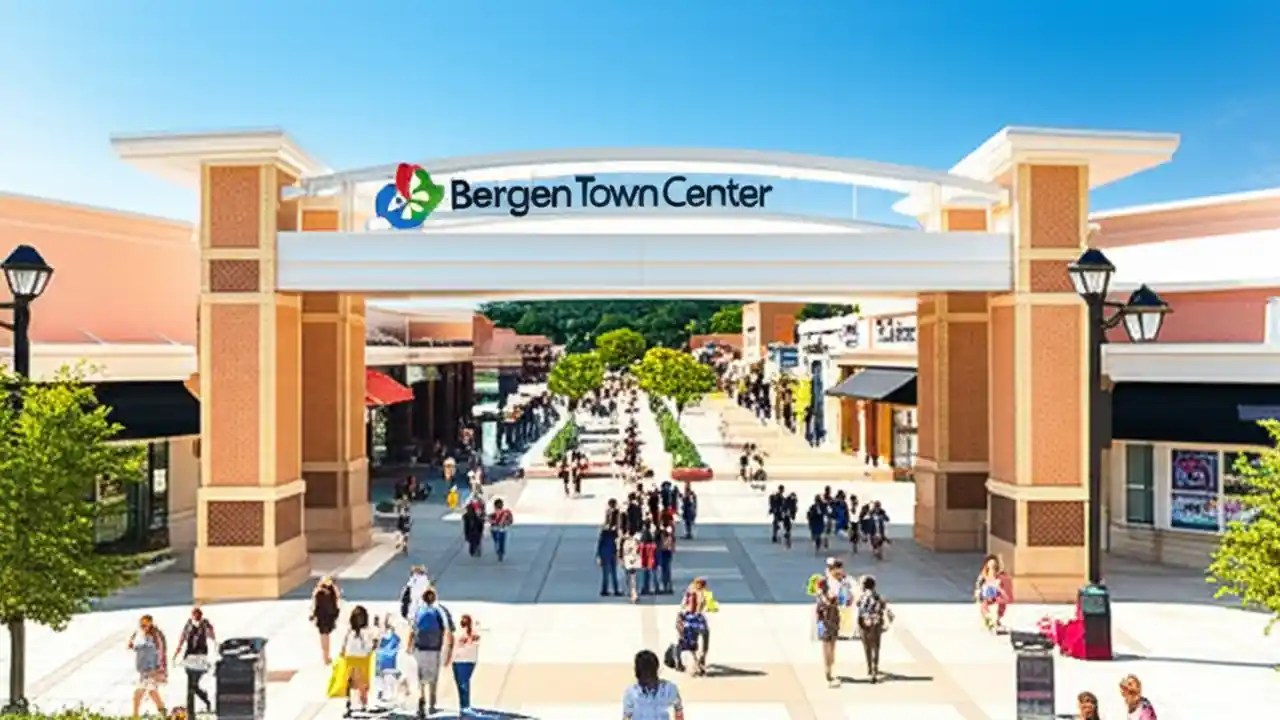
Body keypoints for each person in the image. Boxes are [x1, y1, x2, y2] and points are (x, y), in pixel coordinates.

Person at [408, 587, 455, 718]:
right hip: (434, 648)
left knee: (420, 677)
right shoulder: (439, 610)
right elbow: (446, 630)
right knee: (433, 678)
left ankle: (421, 699)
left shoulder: (418, 611)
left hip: (420, 647)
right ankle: (432, 704)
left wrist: (409, 645)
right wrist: (448, 648)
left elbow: (413, 629)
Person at [172, 606, 215, 715]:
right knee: (191, 684)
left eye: (198, 614)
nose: (196, 617)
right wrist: (177, 652)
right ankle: (192, 711)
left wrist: (210, 629)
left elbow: (212, 636)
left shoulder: (205, 624)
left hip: (201, 656)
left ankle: (204, 699)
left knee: (194, 684)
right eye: (194, 614)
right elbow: (182, 638)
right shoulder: (188, 625)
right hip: (190, 656)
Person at [622, 650, 684, 720]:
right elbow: (627, 716)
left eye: (649, 674)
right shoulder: (631, 693)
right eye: (644, 675)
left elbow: (679, 711)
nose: (647, 678)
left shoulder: (669, 689)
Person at [128, 614, 168, 720]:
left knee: (138, 694)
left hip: (151, 670)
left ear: (150, 623)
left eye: (145, 624)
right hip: (143, 670)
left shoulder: (156, 636)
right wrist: (131, 644)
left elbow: (162, 652)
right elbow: (136, 647)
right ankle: (164, 714)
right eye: (141, 624)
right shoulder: (140, 635)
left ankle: (135, 716)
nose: (142, 626)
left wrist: (161, 669)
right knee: (152, 693)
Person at [856, 575, 894, 683]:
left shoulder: (862, 597)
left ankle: (869, 668)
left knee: (866, 647)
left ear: (864, 586)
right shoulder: (878, 596)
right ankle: (875, 668)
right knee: (876, 647)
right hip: (876, 624)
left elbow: (859, 607)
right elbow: (885, 608)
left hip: (864, 624)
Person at [340, 605, 375, 716]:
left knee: (349, 681)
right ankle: (363, 704)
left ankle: (349, 703)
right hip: (362, 659)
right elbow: (369, 647)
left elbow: (344, 645)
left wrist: (343, 653)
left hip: (350, 658)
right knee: (362, 683)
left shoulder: (349, 631)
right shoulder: (367, 631)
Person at [814, 563, 843, 687]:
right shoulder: (823, 582)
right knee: (826, 642)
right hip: (824, 616)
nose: (839, 573)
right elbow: (820, 596)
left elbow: (845, 599)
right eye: (837, 570)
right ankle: (827, 669)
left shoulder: (840, 583)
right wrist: (828, 599)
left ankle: (830, 665)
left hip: (834, 615)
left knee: (833, 641)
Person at [974, 554, 1012, 632]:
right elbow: (978, 587)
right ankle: (989, 621)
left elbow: (1006, 596)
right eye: (989, 565)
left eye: (993, 565)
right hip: (986, 596)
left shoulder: (999, 576)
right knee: (984, 606)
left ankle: (996, 619)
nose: (991, 567)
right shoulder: (982, 576)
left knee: (1001, 603)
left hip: (996, 595)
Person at [452, 615, 481, 716]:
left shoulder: (458, 633)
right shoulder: (474, 634)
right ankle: (464, 705)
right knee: (464, 683)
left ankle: (464, 706)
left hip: (459, 661)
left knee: (461, 685)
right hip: (470, 661)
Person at [374, 614, 404, 706]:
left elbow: (376, 644)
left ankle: (381, 692)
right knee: (389, 677)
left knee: (380, 676)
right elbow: (400, 646)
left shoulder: (381, 635)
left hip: (381, 658)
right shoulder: (395, 637)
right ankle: (390, 694)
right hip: (390, 660)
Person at [311, 575, 342, 665]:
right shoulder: (332, 592)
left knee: (324, 637)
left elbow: (314, 605)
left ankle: (325, 656)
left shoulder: (318, 593)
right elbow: (336, 603)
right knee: (326, 637)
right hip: (329, 617)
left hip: (321, 617)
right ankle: (326, 657)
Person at [597, 523, 622, 596]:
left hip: (605, 556)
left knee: (605, 575)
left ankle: (604, 590)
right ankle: (616, 590)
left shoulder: (603, 536)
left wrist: (599, 556)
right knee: (614, 574)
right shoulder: (614, 535)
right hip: (612, 555)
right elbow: (617, 545)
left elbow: (600, 547)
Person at [489, 497, 514, 562]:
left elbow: (510, 521)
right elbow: (510, 521)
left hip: (497, 529)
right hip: (500, 529)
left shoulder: (503, 513)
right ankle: (500, 552)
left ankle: (500, 551)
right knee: (500, 540)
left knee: (498, 540)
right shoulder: (503, 513)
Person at [621, 532, 642, 603]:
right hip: (631, 563)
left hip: (631, 563)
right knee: (633, 580)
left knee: (632, 579)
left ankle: (633, 594)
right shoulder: (631, 543)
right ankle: (633, 594)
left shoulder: (626, 542)